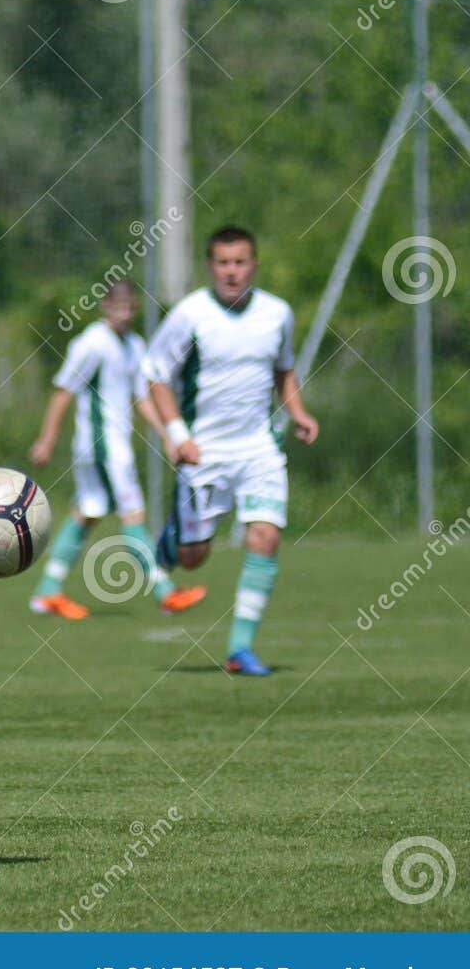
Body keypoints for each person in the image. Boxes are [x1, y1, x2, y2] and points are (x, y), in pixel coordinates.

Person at [142, 226, 319, 676]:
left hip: (259, 448)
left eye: (240, 262)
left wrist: (297, 412)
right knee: (193, 556)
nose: (232, 271)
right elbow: (156, 375)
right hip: (205, 450)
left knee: (265, 536)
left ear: (254, 264)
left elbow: (284, 369)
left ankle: (240, 649)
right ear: (210, 266)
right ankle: (171, 543)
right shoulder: (190, 314)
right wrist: (179, 434)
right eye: (223, 262)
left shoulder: (277, 313)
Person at [27, 278, 205, 619]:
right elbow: (63, 391)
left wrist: (168, 435)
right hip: (102, 446)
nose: (124, 314)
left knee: (87, 513)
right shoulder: (92, 343)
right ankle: (165, 592)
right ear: (105, 307)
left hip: (115, 446)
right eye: (117, 307)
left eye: (129, 308)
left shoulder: (135, 345)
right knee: (133, 512)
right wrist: (47, 439)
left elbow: (142, 398)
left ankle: (47, 592)